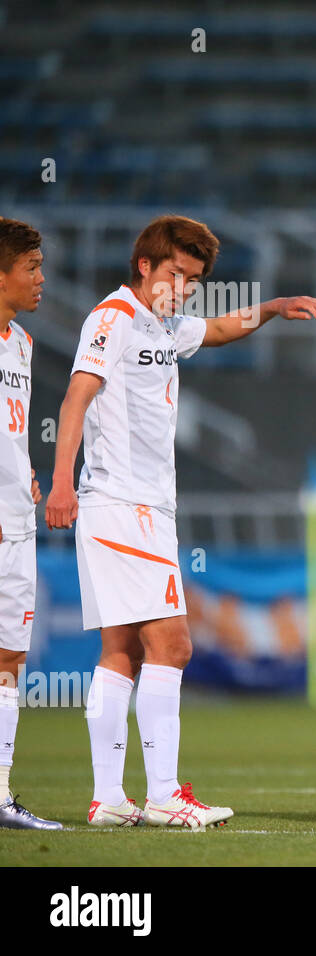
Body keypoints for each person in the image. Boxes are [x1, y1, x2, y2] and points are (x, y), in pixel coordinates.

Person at [45, 215, 316, 828]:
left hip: (142, 508)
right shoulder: (113, 318)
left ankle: (108, 800)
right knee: (173, 644)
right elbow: (76, 397)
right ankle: (165, 794)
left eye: (195, 280)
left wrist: (275, 306)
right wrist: (63, 478)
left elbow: (222, 328)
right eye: (177, 274)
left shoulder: (166, 324)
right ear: (144, 265)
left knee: (121, 651)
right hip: (121, 503)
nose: (185, 288)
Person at [0, 218, 59, 830]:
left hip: (16, 525)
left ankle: (0, 794)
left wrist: (26, 475)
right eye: (32, 268)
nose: (42, 279)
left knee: (9, 660)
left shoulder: (21, 343)